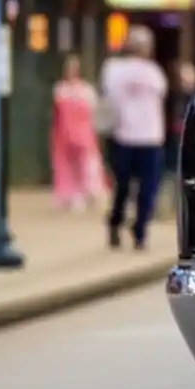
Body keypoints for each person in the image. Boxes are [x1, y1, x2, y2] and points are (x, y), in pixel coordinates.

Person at [101, 26, 168, 250]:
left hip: (147, 136)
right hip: (127, 135)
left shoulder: (153, 72)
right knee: (125, 187)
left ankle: (139, 230)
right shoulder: (116, 69)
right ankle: (119, 222)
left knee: (141, 188)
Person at [50, 55, 106, 211]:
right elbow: (57, 115)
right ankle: (70, 195)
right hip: (64, 134)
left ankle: (90, 192)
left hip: (84, 134)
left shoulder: (87, 90)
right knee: (66, 165)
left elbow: (93, 113)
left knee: (88, 163)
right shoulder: (60, 89)